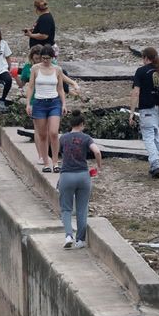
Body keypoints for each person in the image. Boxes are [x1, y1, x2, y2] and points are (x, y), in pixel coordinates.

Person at [129, 47, 159, 179]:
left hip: (146, 109)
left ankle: (155, 163)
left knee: (148, 137)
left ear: (145, 58)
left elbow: (136, 92)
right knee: (156, 136)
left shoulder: (141, 71)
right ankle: (157, 164)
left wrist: (132, 112)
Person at [24, 45, 74, 173]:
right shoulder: (35, 68)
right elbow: (31, 87)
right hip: (39, 103)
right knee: (42, 134)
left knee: (53, 132)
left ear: (52, 58)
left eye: (48, 58)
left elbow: (60, 88)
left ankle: (55, 162)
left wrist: (64, 104)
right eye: (43, 58)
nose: (45, 60)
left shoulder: (57, 69)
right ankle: (46, 162)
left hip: (54, 102)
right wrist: (28, 103)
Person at [56, 110, 103, 249]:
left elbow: (57, 153)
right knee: (82, 210)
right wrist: (99, 166)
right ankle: (80, 240)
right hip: (83, 176)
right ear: (82, 124)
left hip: (66, 176)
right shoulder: (86, 138)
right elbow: (97, 151)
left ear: (71, 124)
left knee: (66, 209)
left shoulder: (63, 138)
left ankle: (68, 235)